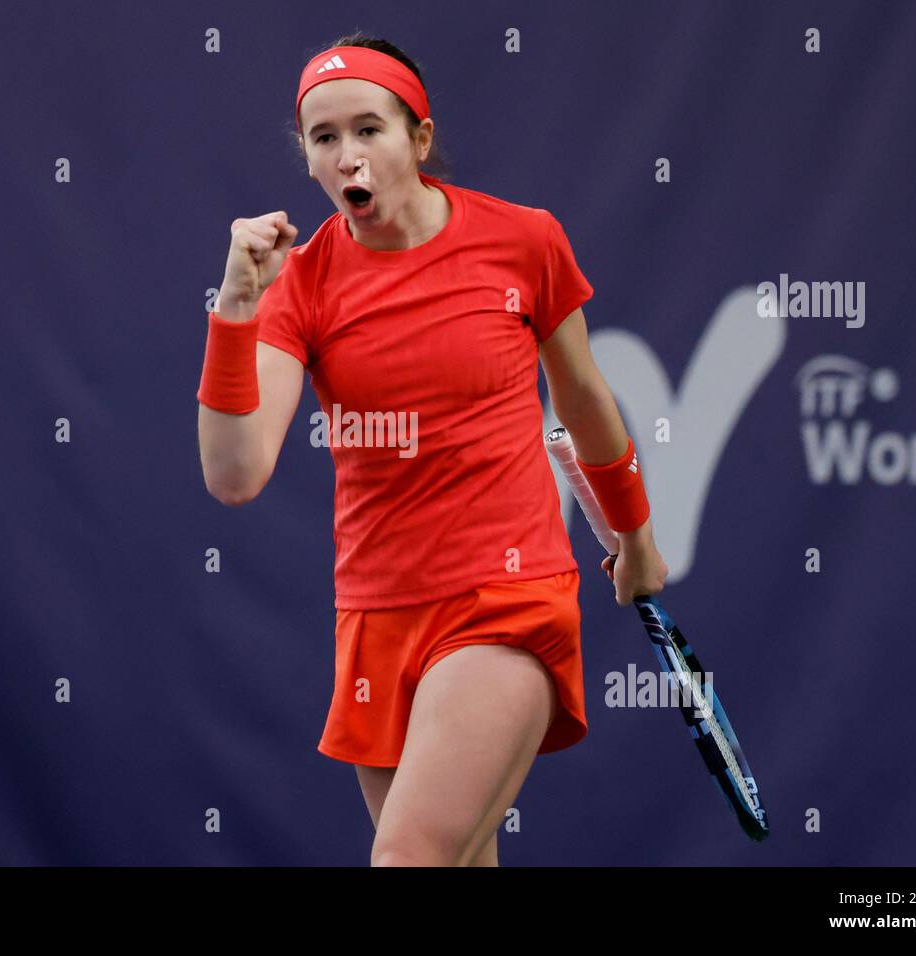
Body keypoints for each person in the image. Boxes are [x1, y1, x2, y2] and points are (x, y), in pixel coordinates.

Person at [197, 33, 668, 866]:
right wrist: (236, 307)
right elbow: (234, 474)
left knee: (407, 860)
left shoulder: (525, 240)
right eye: (325, 137)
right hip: (376, 621)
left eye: (370, 129)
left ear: (418, 140)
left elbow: (586, 398)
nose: (349, 155)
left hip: (506, 599)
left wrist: (634, 537)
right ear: (307, 159)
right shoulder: (296, 284)